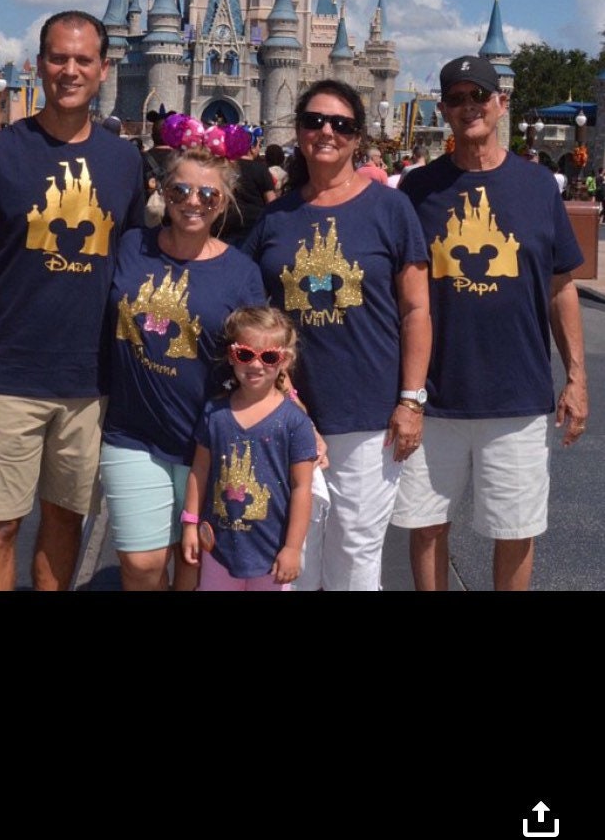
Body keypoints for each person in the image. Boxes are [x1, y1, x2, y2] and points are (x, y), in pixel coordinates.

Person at [0, 10, 145, 591]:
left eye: (84, 59)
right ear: (39, 64)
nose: (70, 70)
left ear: (104, 68)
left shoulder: (124, 161)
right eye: (59, 58)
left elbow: (133, 263)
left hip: (89, 380)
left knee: (65, 520)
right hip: (7, 375)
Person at [392, 55, 589, 591]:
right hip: (435, 395)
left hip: (517, 396)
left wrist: (576, 378)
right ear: (444, 109)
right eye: (455, 99)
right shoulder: (417, 189)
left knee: (516, 529)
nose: (468, 107)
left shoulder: (537, 186)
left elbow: (561, 286)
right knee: (426, 524)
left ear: (501, 103)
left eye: (478, 96)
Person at [243, 78, 431, 591]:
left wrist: (411, 400)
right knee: (291, 551)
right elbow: (246, 305)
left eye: (341, 124)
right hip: (287, 409)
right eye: (314, 121)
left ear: (357, 137)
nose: (326, 131)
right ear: (300, 131)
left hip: (366, 413)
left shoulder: (390, 209)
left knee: (354, 550)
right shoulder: (277, 216)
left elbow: (416, 308)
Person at [100, 117, 268, 591]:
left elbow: (259, 354)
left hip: (208, 442)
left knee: (192, 567)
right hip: (133, 433)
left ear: (225, 201)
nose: (193, 202)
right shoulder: (132, 247)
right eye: (181, 191)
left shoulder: (241, 272)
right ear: (164, 192)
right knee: (142, 565)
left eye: (207, 195)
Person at [181, 305, 317, 591]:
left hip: (272, 554)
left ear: (285, 360)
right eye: (245, 354)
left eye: (268, 357)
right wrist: (190, 523)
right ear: (232, 355)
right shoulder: (214, 413)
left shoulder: (295, 422)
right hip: (218, 549)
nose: (255, 365)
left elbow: (302, 487)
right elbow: (200, 470)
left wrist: (293, 548)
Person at [216, 125, 276, 245]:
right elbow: (272, 202)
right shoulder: (261, 169)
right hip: (254, 228)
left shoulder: (225, 167)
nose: (259, 149)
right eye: (259, 144)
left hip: (226, 227)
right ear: (251, 147)